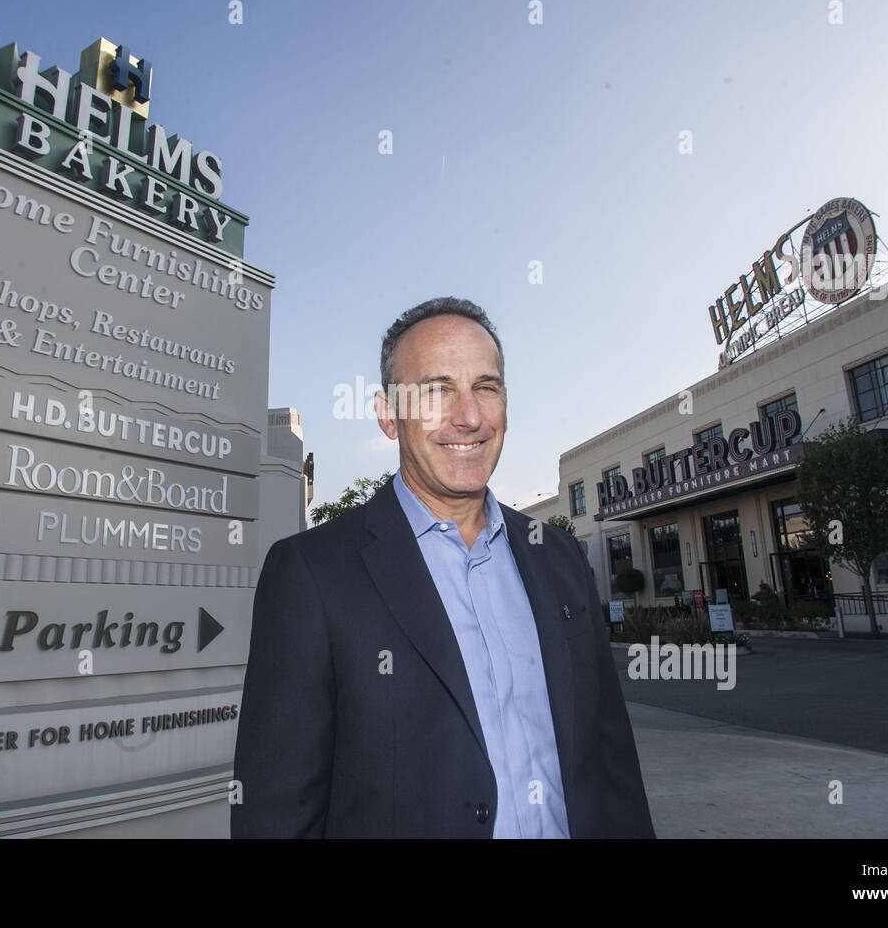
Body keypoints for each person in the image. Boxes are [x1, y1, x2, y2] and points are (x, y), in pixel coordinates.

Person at [231, 297, 654, 838]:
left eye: (486, 387)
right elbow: (276, 812)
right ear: (387, 415)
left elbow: (611, 761)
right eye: (436, 389)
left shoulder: (559, 556)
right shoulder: (311, 575)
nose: (470, 417)